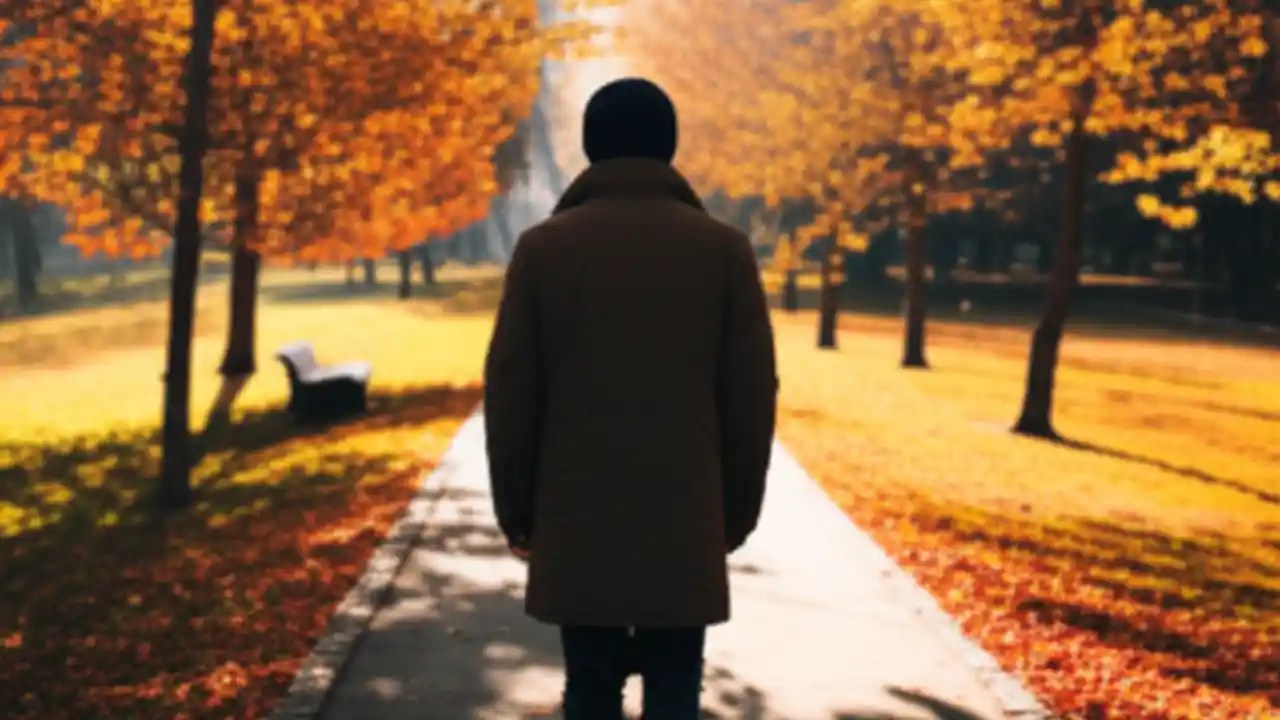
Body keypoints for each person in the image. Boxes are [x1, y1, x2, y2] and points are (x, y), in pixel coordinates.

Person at [483, 77, 778, 720]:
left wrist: (517, 513)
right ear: (669, 147)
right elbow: (751, 400)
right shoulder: (724, 252)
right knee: (676, 692)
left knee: (589, 689)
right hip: (683, 519)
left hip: (576, 518)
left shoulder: (543, 250)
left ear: (592, 148)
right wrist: (736, 515)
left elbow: (511, 397)